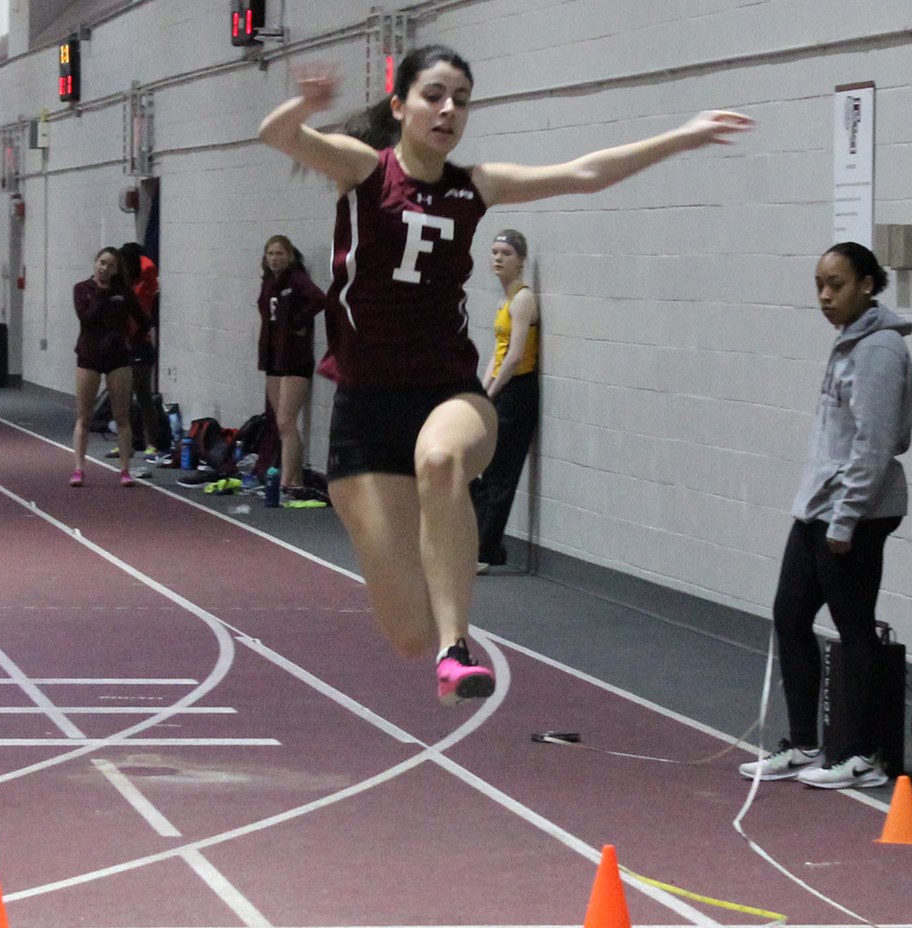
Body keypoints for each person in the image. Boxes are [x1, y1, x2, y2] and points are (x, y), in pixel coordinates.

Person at [257, 45, 751, 705]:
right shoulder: (362, 170)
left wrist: (681, 138)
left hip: (448, 391)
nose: (449, 109)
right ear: (401, 105)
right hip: (364, 407)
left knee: (440, 462)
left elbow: (585, 172)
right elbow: (277, 136)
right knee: (405, 633)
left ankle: (456, 649)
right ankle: (433, 639)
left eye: (461, 98)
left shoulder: (475, 185)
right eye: (434, 95)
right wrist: (308, 106)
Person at [739, 242, 912, 790]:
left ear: (867, 283)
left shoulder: (879, 350)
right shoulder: (846, 344)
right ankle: (803, 743)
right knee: (789, 615)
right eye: (818, 284)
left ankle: (859, 755)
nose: (825, 295)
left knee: (853, 625)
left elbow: (876, 443)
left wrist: (846, 517)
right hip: (818, 506)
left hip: (854, 514)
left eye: (836, 283)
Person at [469, 229, 539, 573]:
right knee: (470, 463)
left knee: (500, 472)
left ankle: (484, 550)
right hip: (500, 387)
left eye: (506, 253)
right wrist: (480, 394)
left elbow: (513, 358)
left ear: (521, 260)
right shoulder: (503, 300)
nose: (498, 258)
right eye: (495, 252)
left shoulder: (524, 299)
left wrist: (492, 393)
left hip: (518, 390)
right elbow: (495, 357)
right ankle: (485, 544)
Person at [70, 246, 151, 487]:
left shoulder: (123, 292)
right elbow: (87, 318)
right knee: (84, 417)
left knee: (122, 416)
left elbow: (144, 321)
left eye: (111, 266)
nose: (105, 269)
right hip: (89, 357)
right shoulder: (82, 289)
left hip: (118, 358)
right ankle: (78, 468)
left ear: (116, 271)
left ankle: (125, 470)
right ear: (95, 263)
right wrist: (100, 293)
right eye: (102, 263)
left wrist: (130, 342)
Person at [258, 234, 326, 500]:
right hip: (273, 357)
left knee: (287, 421)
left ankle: (290, 482)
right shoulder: (268, 283)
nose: (275, 258)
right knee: (280, 422)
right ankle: (290, 478)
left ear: (290, 256)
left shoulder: (297, 280)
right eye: (270, 254)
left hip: (295, 359)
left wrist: (299, 322)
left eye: (279, 254)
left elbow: (320, 300)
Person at [119, 241, 163, 460]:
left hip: (141, 343)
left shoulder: (145, 278)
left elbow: (147, 263)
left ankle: (151, 443)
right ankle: (126, 442)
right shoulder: (122, 284)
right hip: (122, 343)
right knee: (122, 396)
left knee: (143, 393)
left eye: (125, 263)